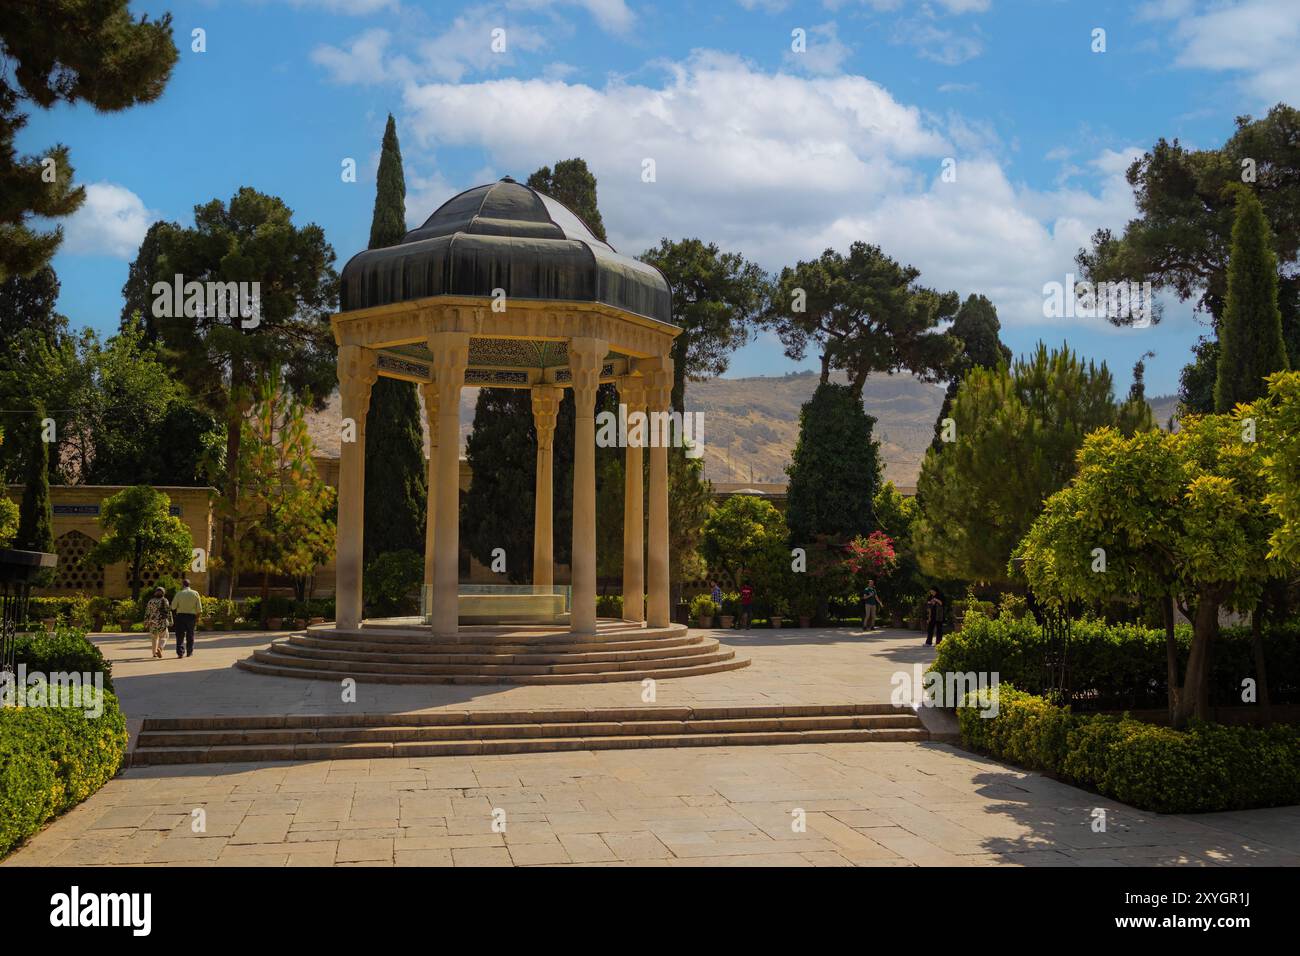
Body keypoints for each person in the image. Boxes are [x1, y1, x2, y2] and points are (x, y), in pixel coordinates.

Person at [170, 577, 202, 658]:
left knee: (180, 635)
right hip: (191, 617)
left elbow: (173, 607)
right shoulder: (195, 593)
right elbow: (199, 609)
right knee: (190, 635)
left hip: (180, 616)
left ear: (182, 585)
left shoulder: (179, 593)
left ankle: (180, 653)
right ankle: (189, 652)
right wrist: (197, 618)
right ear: (189, 585)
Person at [143, 586, 172, 659]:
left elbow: (147, 612)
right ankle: (160, 648)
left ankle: (154, 653)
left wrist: (146, 621)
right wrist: (171, 620)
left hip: (152, 622)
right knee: (165, 636)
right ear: (163, 593)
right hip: (162, 622)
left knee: (154, 638)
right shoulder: (165, 600)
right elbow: (168, 611)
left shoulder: (151, 601)